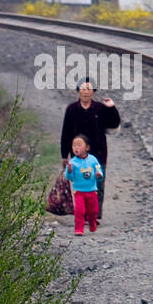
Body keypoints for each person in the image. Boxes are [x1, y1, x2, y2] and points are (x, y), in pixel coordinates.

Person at [60, 78, 120, 220]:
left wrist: (111, 108)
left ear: (93, 91)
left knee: (97, 185)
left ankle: (94, 215)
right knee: (81, 185)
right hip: (78, 156)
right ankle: (84, 213)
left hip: (98, 153)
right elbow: (66, 133)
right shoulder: (72, 109)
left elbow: (114, 123)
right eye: (83, 88)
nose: (86, 92)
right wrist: (64, 155)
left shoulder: (100, 108)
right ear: (78, 90)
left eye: (89, 89)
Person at [65, 134, 103, 236]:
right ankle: (79, 229)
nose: (76, 148)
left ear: (87, 147)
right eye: (74, 145)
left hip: (91, 190)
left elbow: (99, 171)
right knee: (79, 210)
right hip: (78, 191)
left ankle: (92, 222)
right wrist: (69, 171)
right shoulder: (72, 162)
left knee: (93, 210)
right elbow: (68, 178)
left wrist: (99, 175)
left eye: (79, 145)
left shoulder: (93, 160)